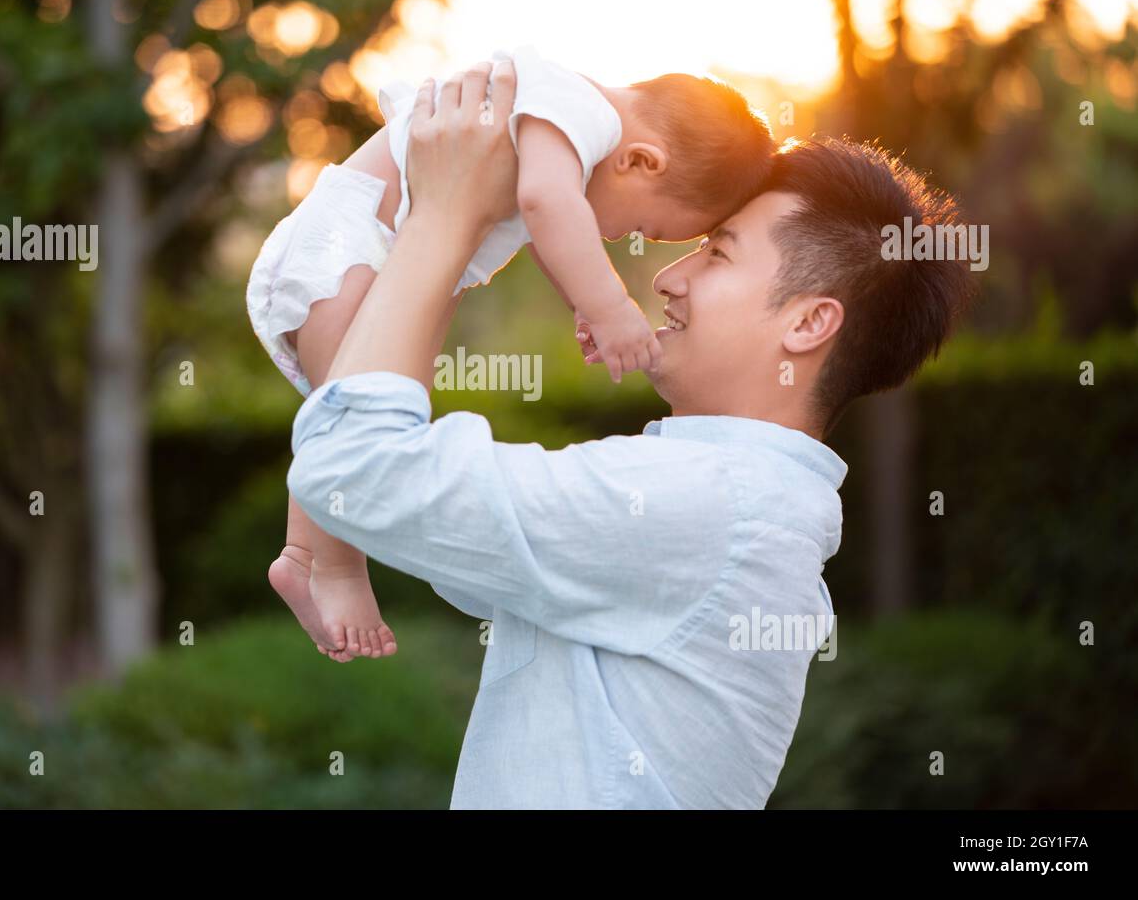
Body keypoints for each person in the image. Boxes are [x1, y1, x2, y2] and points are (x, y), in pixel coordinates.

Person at [284, 63, 976, 808]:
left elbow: (351, 468)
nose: (669, 278)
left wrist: (442, 218)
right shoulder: (724, 503)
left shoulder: (708, 507)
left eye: (718, 253)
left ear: (809, 323)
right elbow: (426, 523)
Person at [249, 49, 774, 659]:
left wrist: (580, 303)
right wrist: (607, 305)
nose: (619, 237)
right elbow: (547, 206)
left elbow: (551, 222)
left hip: (387, 257)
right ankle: (335, 569)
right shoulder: (579, 110)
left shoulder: (573, 136)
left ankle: (302, 555)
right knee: (354, 404)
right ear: (641, 161)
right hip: (352, 243)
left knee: (376, 406)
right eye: (648, 230)